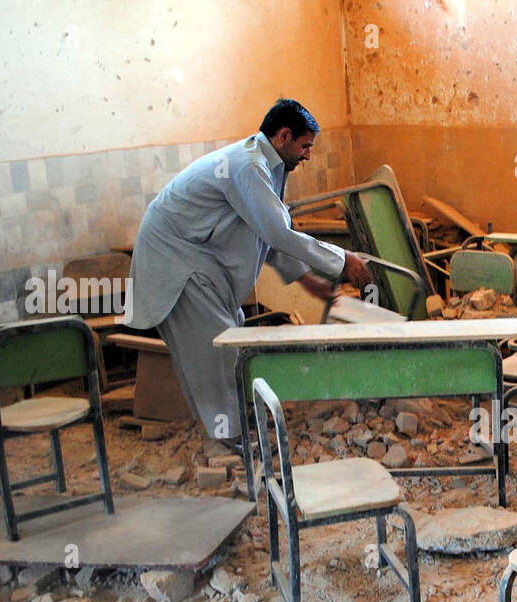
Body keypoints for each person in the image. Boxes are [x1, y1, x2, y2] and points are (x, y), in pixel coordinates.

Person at [125, 99, 369, 446]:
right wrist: (343, 260)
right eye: (305, 146)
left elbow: (264, 233)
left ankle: (234, 429)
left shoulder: (265, 164)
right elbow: (277, 233)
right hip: (175, 261)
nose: (308, 155)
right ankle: (231, 440)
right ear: (284, 136)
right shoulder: (248, 166)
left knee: (230, 343)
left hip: (196, 260)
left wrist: (307, 281)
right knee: (218, 351)